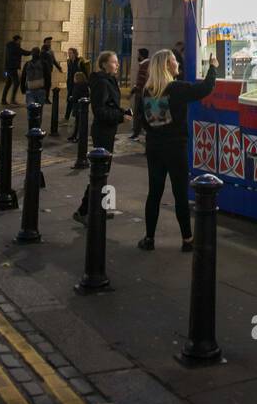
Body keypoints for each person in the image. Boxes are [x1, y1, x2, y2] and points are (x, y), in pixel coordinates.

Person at [137, 49, 217, 252]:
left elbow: (143, 121)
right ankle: (187, 239)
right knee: (180, 193)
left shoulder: (148, 90)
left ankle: (149, 238)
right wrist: (213, 67)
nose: (178, 63)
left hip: (155, 147)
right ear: (167, 66)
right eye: (174, 60)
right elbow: (205, 89)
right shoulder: (177, 88)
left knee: (154, 192)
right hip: (175, 147)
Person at [73, 51, 128, 223]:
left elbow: (109, 105)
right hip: (102, 132)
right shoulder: (101, 83)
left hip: (108, 131)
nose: (117, 65)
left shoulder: (108, 80)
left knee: (103, 173)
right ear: (104, 64)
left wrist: (122, 113)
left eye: (117, 62)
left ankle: (99, 209)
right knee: (99, 172)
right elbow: (100, 111)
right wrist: (120, 117)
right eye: (114, 62)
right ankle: (83, 211)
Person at [2, 35, 31, 104]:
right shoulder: (14, 47)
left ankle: (4, 100)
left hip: (9, 67)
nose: (20, 42)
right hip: (12, 68)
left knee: (8, 84)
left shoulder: (10, 46)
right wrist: (32, 52)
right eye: (20, 40)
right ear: (17, 40)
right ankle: (12, 99)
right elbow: (23, 52)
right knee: (16, 82)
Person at [65, 47, 90, 123]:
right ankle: (66, 117)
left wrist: (85, 84)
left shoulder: (80, 62)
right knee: (69, 100)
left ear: (75, 53)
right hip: (70, 84)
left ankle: (77, 118)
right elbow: (69, 73)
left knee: (76, 101)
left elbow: (85, 74)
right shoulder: (69, 61)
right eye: (68, 53)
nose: (69, 54)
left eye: (71, 53)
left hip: (78, 85)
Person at [129, 48, 150, 141]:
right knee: (142, 114)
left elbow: (140, 82)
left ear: (141, 55)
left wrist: (134, 91)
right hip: (144, 94)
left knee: (138, 114)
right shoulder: (147, 64)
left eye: (138, 55)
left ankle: (136, 133)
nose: (137, 56)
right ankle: (138, 132)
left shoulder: (144, 65)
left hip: (141, 94)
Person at [20, 47, 47, 117]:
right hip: (41, 88)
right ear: (39, 53)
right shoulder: (44, 63)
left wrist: (22, 89)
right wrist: (46, 90)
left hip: (30, 89)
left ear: (32, 54)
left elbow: (23, 77)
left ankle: (31, 126)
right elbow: (47, 77)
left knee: (31, 110)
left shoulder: (27, 64)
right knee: (39, 111)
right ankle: (38, 127)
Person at [67, 69, 90, 143]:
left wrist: (71, 98)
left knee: (78, 123)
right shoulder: (85, 86)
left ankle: (77, 137)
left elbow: (75, 96)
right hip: (82, 106)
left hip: (78, 106)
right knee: (78, 122)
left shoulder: (77, 86)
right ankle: (75, 135)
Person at [40, 36, 62, 104]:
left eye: (50, 42)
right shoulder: (43, 50)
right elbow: (42, 60)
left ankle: (46, 98)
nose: (49, 43)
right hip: (44, 70)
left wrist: (59, 68)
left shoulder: (50, 51)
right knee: (45, 84)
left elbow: (54, 61)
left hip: (49, 70)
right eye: (48, 42)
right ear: (44, 43)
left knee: (48, 84)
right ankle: (44, 98)